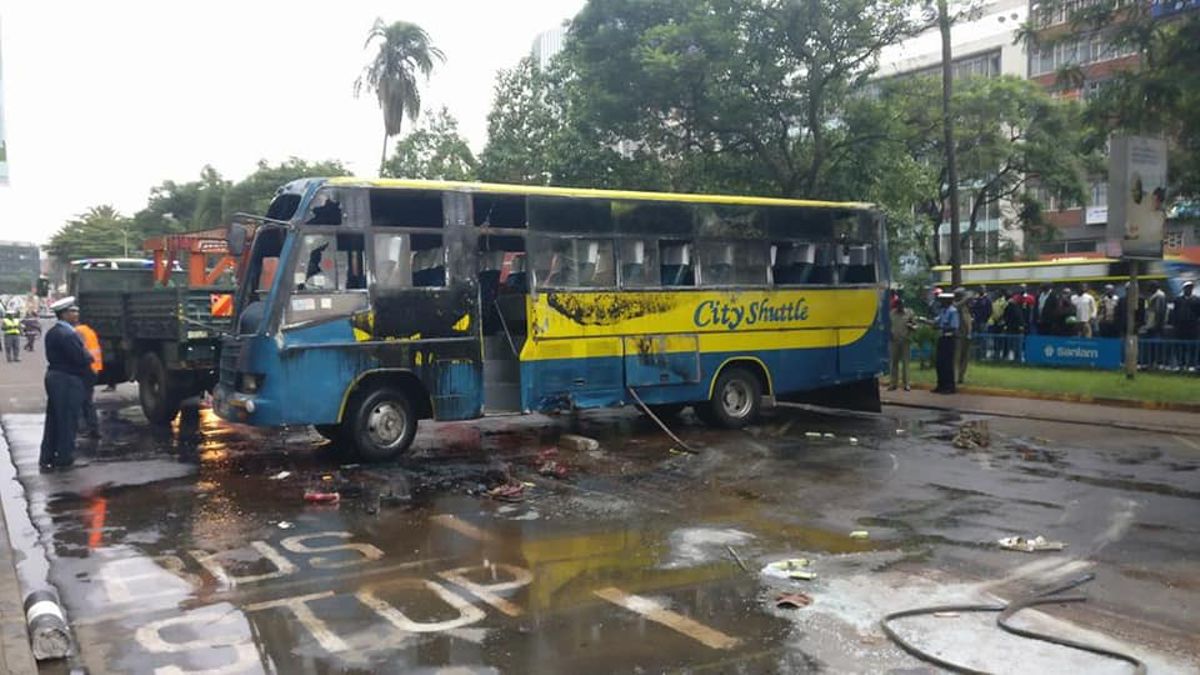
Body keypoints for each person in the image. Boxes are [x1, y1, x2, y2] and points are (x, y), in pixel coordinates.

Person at [39, 297, 93, 471]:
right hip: (67, 379)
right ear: (64, 314)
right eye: (73, 311)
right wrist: (88, 356)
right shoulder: (68, 334)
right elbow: (80, 358)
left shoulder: (55, 332)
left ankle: (47, 455)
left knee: (54, 419)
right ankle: (64, 458)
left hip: (56, 377)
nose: (76, 314)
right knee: (68, 420)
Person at [75, 321, 103, 439]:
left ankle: (85, 428)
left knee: (81, 401)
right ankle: (93, 428)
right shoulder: (89, 330)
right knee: (88, 400)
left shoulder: (77, 332)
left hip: (85, 369)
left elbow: (79, 351)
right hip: (94, 369)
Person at [933, 292, 959, 394]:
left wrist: (941, 327)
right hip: (942, 338)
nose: (941, 302)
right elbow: (937, 321)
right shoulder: (943, 311)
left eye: (942, 300)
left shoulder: (953, 311)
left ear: (948, 301)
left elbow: (954, 326)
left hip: (949, 339)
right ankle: (941, 385)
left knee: (947, 364)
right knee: (940, 363)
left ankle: (949, 387)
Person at [888, 295, 915, 391]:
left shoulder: (909, 313)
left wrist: (911, 327)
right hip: (894, 341)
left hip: (905, 341)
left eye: (902, 305)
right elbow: (888, 326)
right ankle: (893, 384)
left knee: (905, 363)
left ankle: (906, 384)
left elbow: (915, 325)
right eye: (898, 305)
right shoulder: (891, 314)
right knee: (893, 363)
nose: (900, 306)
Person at [953, 287, 972, 384]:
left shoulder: (965, 308)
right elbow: (956, 305)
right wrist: (965, 299)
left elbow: (967, 321)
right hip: (958, 335)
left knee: (965, 357)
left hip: (966, 334)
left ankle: (961, 377)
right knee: (957, 356)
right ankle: (955, 377)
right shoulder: (954, 306)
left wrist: (969, 332)